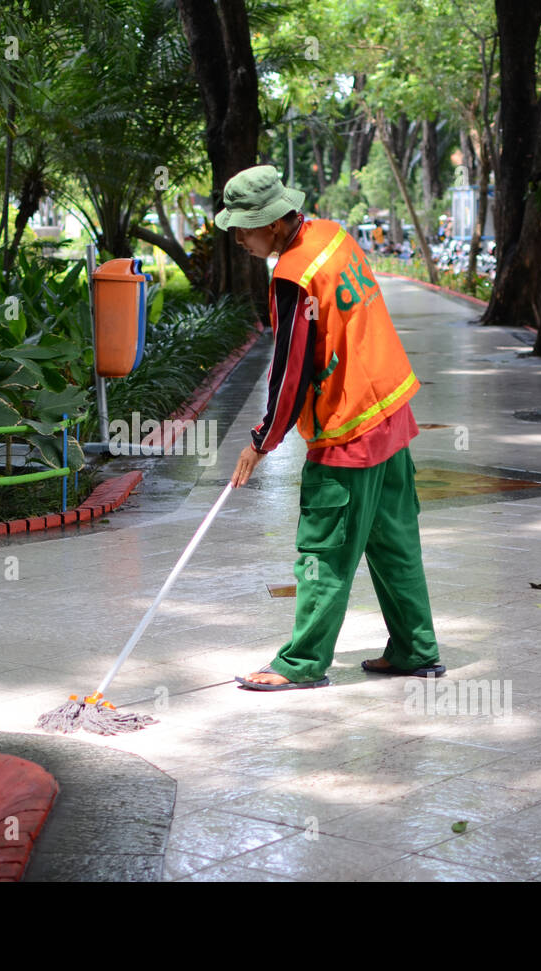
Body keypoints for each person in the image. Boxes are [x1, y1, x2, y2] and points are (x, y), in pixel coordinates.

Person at [213, 165, 444, 690]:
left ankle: (301, 663)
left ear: (272, 223)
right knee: (395, 543)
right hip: (390, 412)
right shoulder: (333, 236)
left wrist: (261, 441)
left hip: (349, 429)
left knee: (324, 550)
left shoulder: (293, 275)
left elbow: (289, 370)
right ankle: (416, 649)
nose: (239, 239)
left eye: (243, 228)